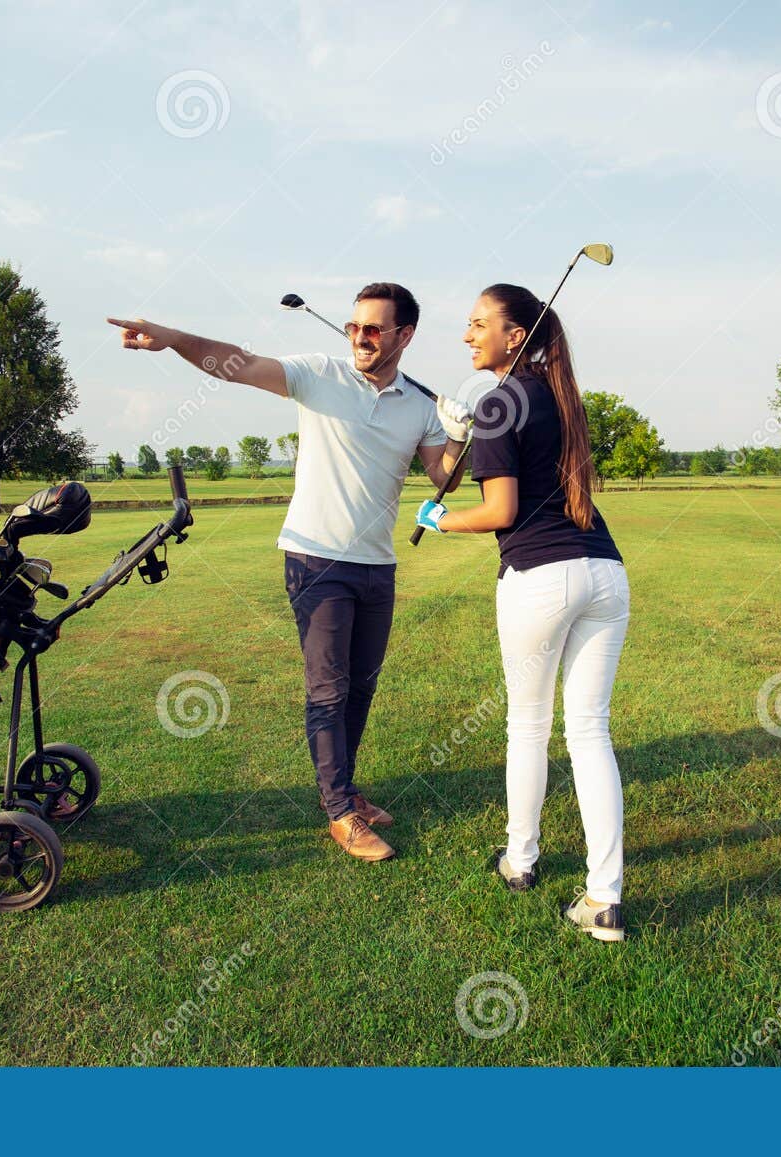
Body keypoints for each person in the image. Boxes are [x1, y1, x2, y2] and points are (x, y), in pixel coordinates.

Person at [107, 283, 471, 862]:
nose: (359, 337)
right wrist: (172, 338)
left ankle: (345, 786)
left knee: (362, 685)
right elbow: (238, 365)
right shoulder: (319, 373)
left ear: (405, 336)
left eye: (374, 329)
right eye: (354, 327)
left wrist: (458, 433)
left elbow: (443, 479)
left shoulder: (419, 406)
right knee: (328, 688)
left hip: (378, 564)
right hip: (316, 558)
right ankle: (339, 812)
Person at [413, 283, 630, 942]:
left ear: (515, 337)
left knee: (528, 726)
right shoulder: (559, 396)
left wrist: (440, 516)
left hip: (541, 577)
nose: (466, 334)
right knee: (589, 731)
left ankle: (521, 860)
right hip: (607, 572)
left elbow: (501, 512)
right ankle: (604, 898)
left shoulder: (502, 399)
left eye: (479, 323)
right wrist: (468, 431)